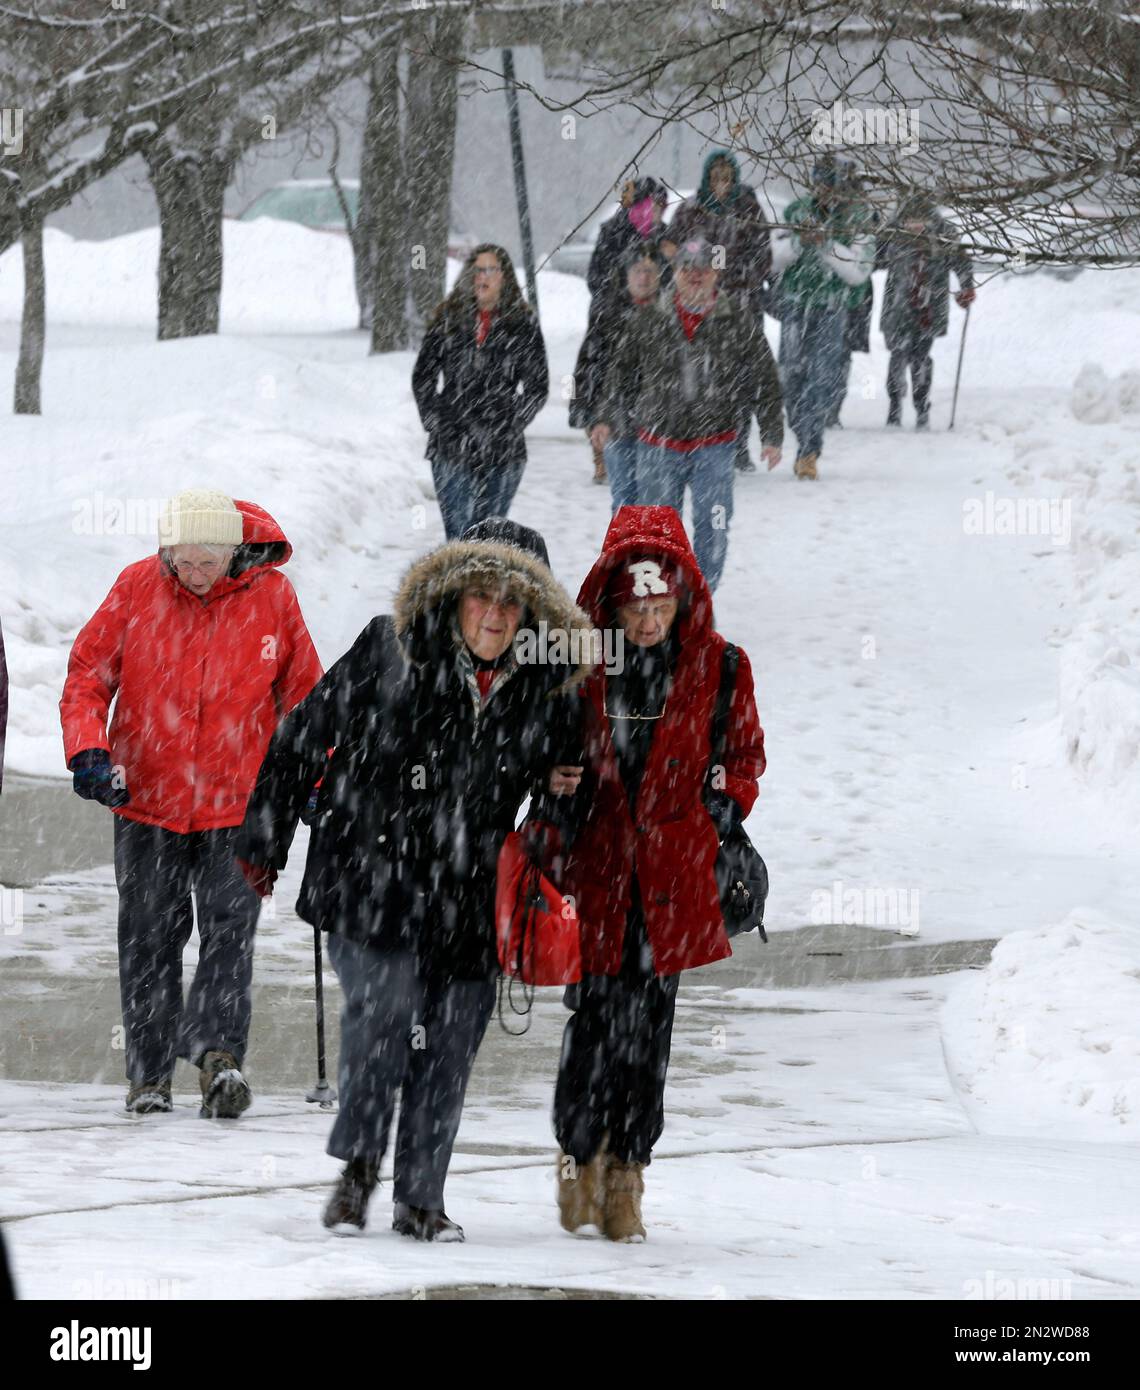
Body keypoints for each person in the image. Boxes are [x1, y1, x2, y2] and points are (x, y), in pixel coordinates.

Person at [235, 518, 592, 1243]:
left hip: (468, 892)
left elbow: (563, 794)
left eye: (511, 602)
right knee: (388, 1014)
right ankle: (359, 1167)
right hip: (372, 874)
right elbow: (301, 735)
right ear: (451, 594)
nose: (493, 614)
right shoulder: (388, 647)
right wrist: (266, 841)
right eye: (479, 596)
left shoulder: (548, 688)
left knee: (452, 1039)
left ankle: (420, 1198)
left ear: (533, 615)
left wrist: (562, 791)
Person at [529, 505, 765, 1242]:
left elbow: (745, 756)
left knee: (650, 1030)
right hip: (596, 870)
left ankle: (628, 1172)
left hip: (672, 875)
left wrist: (721, 804)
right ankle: (577, 1159)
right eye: (637, 606)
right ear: (614, 601)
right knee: (591, 1021)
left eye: (661, 604)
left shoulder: (721, 664)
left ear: (682, 598)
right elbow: (537, 742)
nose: (648, 620)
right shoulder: (576, 665)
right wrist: (554, 779)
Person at [59, 490, 323, 1117]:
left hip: (242, 805)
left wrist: (316, 774)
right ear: (165, 551)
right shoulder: (137, 587)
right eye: (183, 562)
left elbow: (307, 697)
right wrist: (88, 751)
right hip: (147, 798)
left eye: (208, 563)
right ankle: (148, 1076)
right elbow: (87, 676)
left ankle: (219, 1061)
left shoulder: (273, 597)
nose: (195, 575)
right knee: (149, 937)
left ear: (236, 554)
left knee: (231, 935)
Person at [591, 237, 783, 593]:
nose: (695, 276)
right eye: (686, 268)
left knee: (715, 526)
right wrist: (606, 417)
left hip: (716, 446)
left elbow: (765, 379)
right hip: (658, 445)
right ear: (675, 273)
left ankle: (700, 597)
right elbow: (620, 374)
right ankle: (663, 603)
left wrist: (772, 434)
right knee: (657, 534)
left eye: (704, 269)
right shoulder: (648, 319)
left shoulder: (738, 320)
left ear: (716, 274)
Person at [412, 244, 549, 539]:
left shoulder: (522, 325)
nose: (481, 276)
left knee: (488, 541)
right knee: (460, 539)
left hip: (502, 449)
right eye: (476, 269)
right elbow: (423, 377)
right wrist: (436, 421)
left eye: (489, 269)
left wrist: (511, 424)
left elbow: (537, 387)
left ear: (504, 277)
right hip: (451, 446)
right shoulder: (448, 319)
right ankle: (456, 587)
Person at [663, 149, 773, 473]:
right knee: (701, 376)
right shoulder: (690, 210)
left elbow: (762, 254)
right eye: (716, 178)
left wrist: (735, 275)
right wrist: (690, 266)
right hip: (698, 305)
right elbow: (672, 245)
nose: (722, 185)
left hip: (740, 305)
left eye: (727, 178)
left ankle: (738, 444)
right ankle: (703, 441)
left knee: (743, 377)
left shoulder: (748, 209)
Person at [771, 155, 876, 479]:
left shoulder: (859, 218)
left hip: (832, 309)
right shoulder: (796, 212)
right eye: (819, 182)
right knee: (790, 380)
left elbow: (858, 272)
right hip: (795, 306)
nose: (824, 190)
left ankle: (809, 450)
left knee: (821, 380)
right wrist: (800, 242)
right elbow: (774, 260)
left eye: (830, 184)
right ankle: (803, 436)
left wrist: (826, 244)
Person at [570, 244, 666, 510]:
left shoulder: (669, 315)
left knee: (655, 501)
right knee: (624, 500)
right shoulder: (607, 313)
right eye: (637, 271)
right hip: (615, 415)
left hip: (658, 421)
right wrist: (582, 411)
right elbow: (585, 365)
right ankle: (626, 550)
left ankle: (650, 550)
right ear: (626, 275)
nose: (643, 278)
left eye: (649, 271)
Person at [877, 192, 976, 430]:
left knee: (920, 357)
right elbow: (873, 256)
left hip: (928, 309)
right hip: (898, 307)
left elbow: (961, 261)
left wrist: (966, 287)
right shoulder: (892, 234)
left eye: (920, 222)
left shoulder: (943, 235)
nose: (916, 227)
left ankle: (921, 407)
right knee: (898, 354)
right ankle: (894, 406)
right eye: (911, 222)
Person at [826, 169, 880, 429]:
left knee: (838, 354)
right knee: (837, 355)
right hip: (846, 296)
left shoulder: (861, 217)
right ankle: (830, 407)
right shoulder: (854, 215)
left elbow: (867, 261)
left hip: (851, 296)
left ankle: (830, 407)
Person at [586, 176, 670, 312]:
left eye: (663, 206)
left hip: (654, 315)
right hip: (614, 316)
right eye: (657, 205)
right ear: (643, 207)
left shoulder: (663, 234)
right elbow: (597, 279)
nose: (661, 212)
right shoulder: (613, 232)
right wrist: (627, 301)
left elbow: (671, 279)